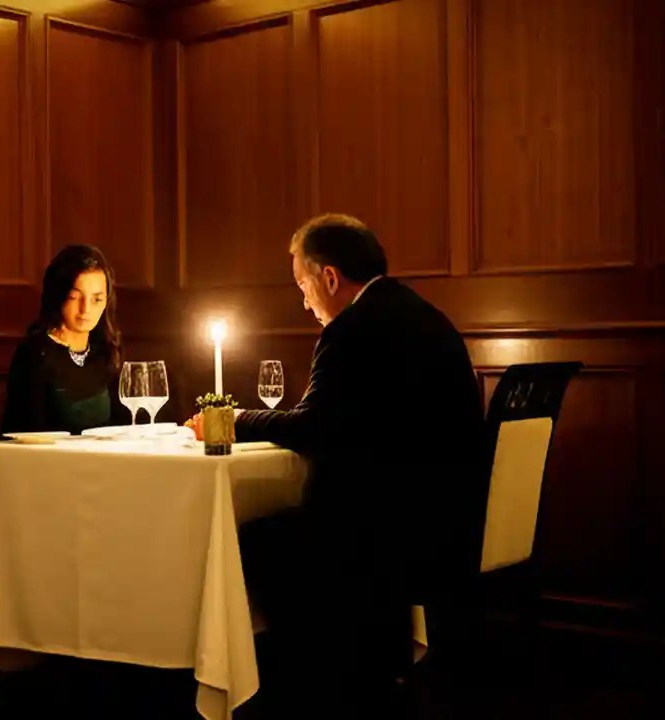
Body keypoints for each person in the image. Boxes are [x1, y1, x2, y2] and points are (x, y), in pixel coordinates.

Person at [190, 214, 486, 714]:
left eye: (304, 285)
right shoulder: (423, 316)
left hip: (393, 537)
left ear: (329, 278)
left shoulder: (354, 329)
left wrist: (232, 418)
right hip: (446, 523)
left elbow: (314, 428)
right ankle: (371, 662)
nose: (305, 302)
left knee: (253, 542)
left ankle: (314, 685)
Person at [1, 245, 123, 434]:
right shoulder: (35, 354)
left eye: (97, 300)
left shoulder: (103, 350)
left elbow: (120, 427)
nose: (86, 310)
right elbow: (23, 434)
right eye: (75, 297)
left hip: (102, 461)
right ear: (59, 295)